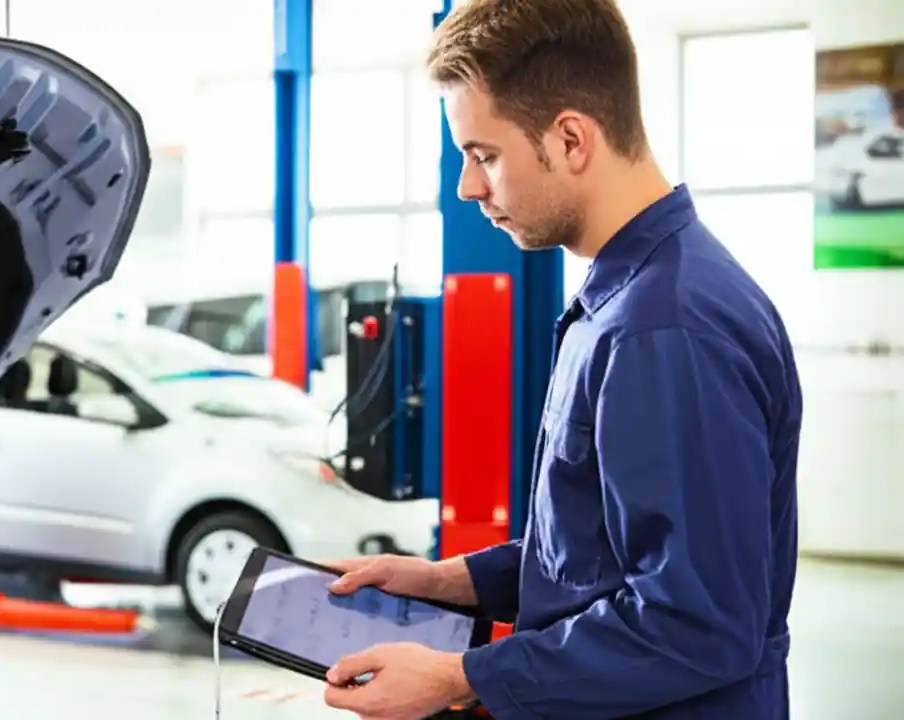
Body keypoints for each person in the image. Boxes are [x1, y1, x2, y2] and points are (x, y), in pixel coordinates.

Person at [321, 0, 804, 718]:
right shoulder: (625, 298)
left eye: (484, 154)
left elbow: (696, 626)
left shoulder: (666, 329)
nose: (468, 186)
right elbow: (601, 557)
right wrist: (442, 579)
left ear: (572, 139)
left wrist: (463, 676)